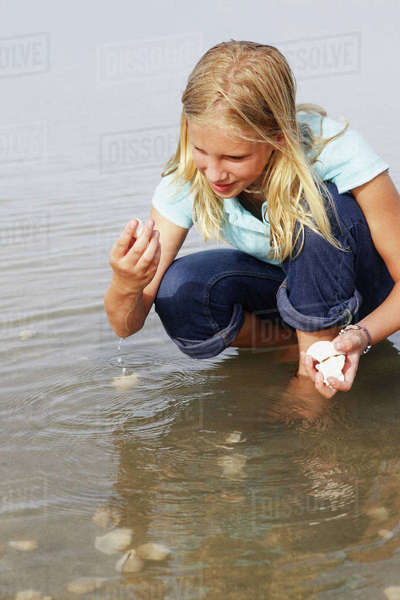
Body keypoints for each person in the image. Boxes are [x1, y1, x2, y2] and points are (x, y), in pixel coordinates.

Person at [104, 40, 400, 399]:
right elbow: (125, 327)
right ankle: (296, 351)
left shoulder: (336, 150)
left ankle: (310, 389)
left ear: (276, 139)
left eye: (234, 157)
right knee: (180, 287)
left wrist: (362, 335)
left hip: (361, 295)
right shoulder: (187, 177)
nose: (214, 174)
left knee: (311, 210)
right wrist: (126, 283)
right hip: (294, 290)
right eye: (201, 150)